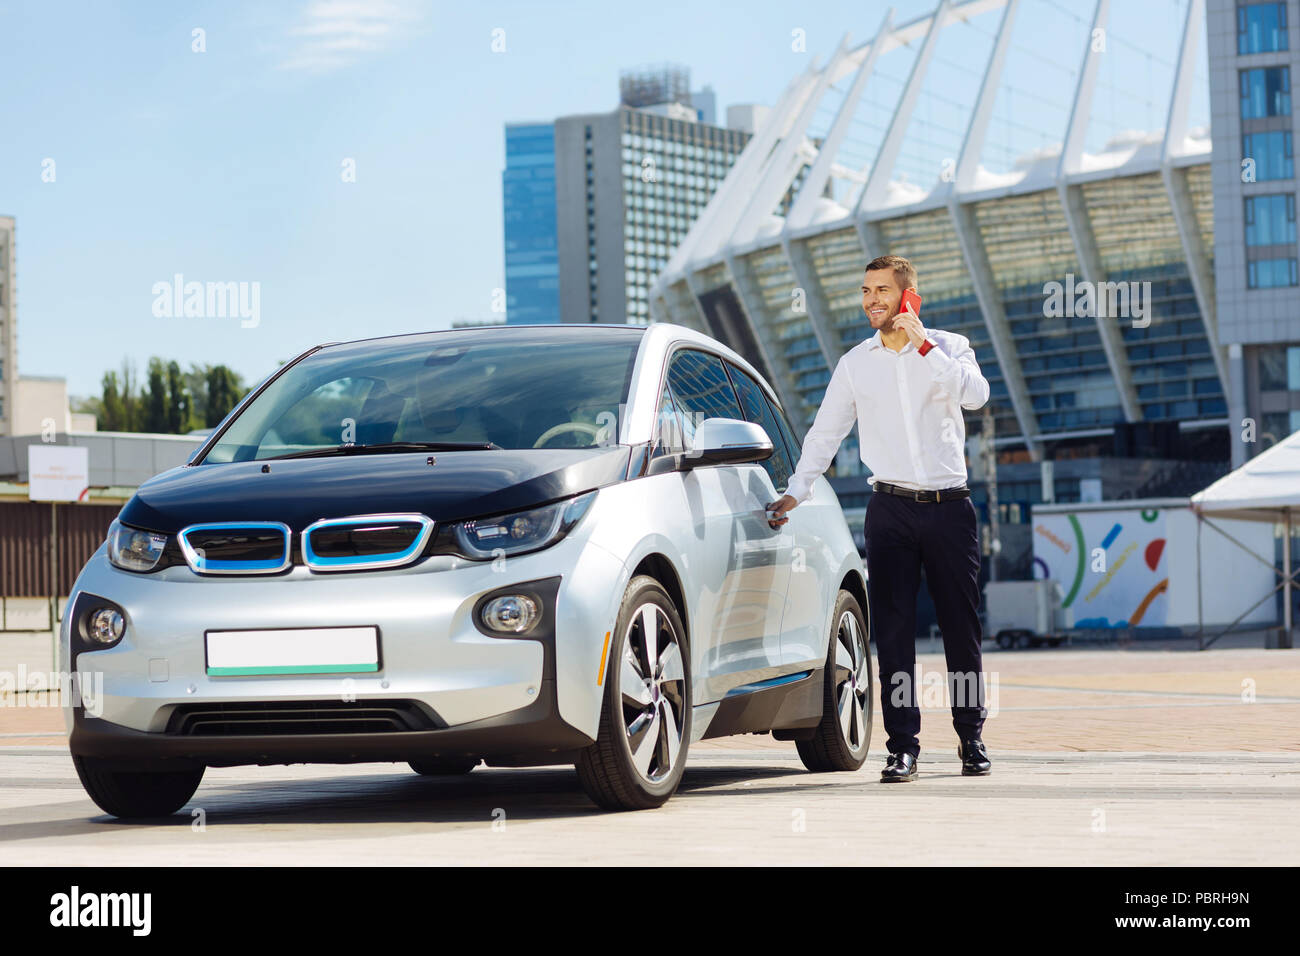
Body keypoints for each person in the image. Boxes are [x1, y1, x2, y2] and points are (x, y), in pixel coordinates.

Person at [766, 254, 992, 782]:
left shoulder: (950, 348)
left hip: (950, 507)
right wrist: (796, 491)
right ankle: (903, 746)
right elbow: (825, 433)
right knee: (892, 633)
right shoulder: (855, 363)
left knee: (962, 629)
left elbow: (976, 396)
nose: (870, 300)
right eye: (866, 290)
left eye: (881, 290)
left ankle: (971, 737)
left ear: (909, 294)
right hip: (889, 509)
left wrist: (925, 347)